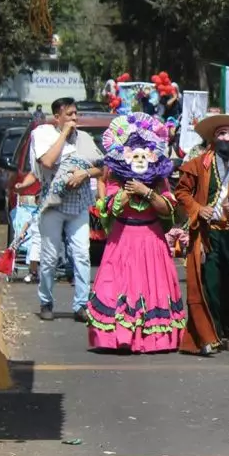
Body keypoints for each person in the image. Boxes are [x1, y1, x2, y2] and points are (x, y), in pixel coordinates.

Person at [86, 113, 186, 352]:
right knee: (117, 286)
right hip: (122, 238)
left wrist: (147, 191)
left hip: (151, 240)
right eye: (133, 151)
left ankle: (154, 340)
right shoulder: (116, 177)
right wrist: (129, 189)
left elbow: (168, 209)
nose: (139, 157)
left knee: (153, 288)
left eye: (144, 151)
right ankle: (119, 337)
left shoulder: (159, 179)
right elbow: (110, 206)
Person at [174, 113, 229, 355]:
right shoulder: (197, 164)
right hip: (207, 235)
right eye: (222, 133)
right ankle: (212, 336)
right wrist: (198, 209)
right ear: (214, 137)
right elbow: (181, 193)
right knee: (209, 286)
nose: (227, 138)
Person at [30, 97, 104, 322]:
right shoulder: (44, 135)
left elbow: (101, 168)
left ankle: (81, 304)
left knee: (81, 254)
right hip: (53, 204)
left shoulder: (85, 138)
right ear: (57, 117)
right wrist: (64, 134)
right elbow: (48, 163)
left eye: (76, 114)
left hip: (79, 204)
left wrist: (85, 173)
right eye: (70, 114)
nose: (74, 118)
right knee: (50, 257)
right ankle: (46, 301)